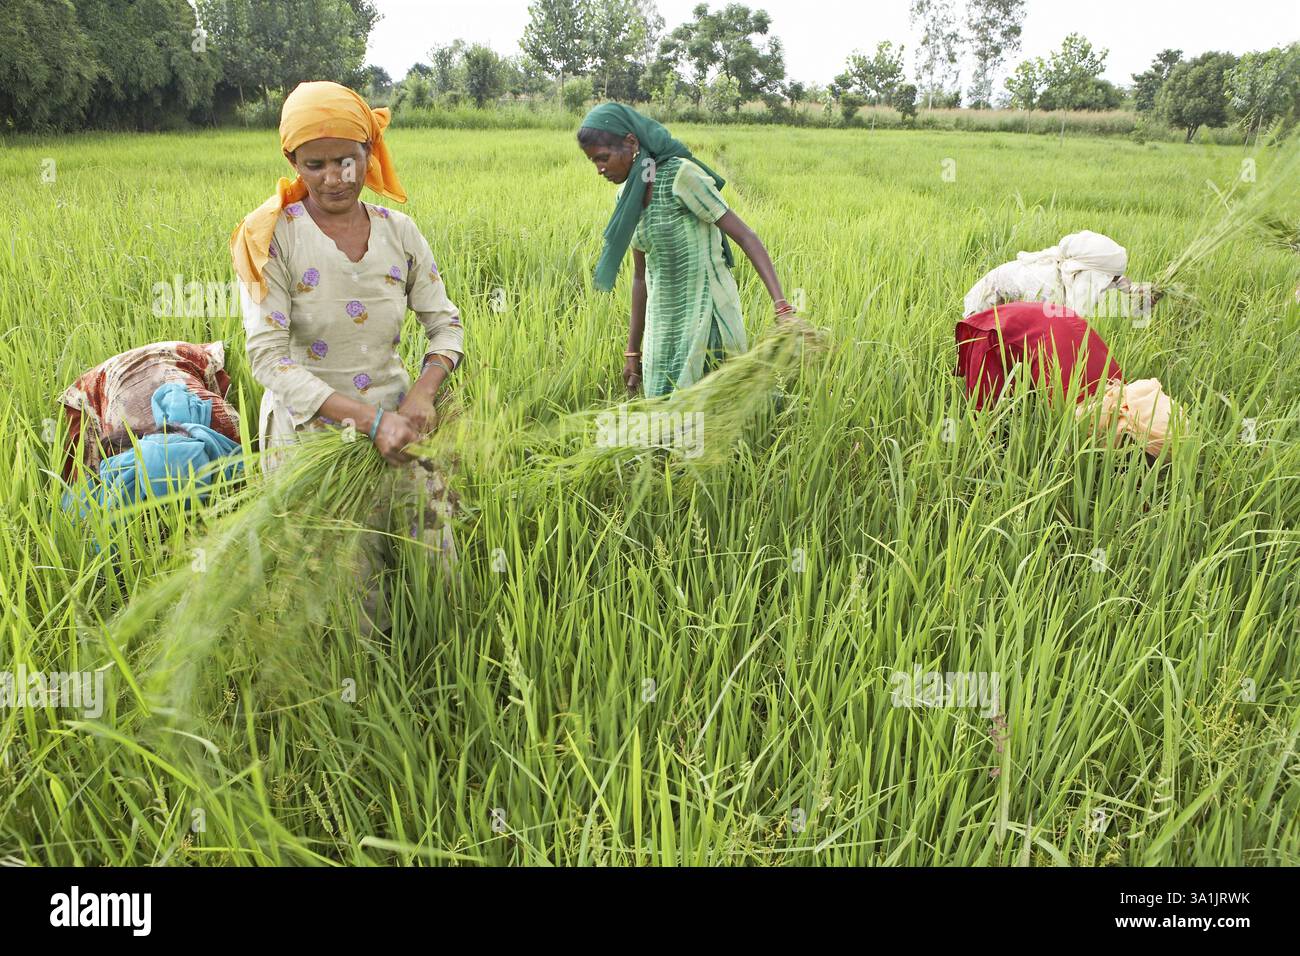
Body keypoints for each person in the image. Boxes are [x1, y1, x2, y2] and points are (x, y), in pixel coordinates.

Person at [230, 80, 464, 637]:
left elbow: (445, 324)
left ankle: (447, 664)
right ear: (292, 161)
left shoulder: (399, 232)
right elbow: (268, 358)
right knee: (348, 586)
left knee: (438, 560)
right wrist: (367, 421)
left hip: (399, 423)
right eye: (315, 165)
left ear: (369, 155)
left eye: (346, 161)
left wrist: (422, 394)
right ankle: (363, 689)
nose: (334, 178)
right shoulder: (272, 239)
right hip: (312, 432)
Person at [576, 103, 795, 397]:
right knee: (666, 413)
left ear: (631, 143)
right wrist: (633, 352)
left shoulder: (682, 177)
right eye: (593, 162)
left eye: (603, 158)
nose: (600, 169)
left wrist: (782, 306)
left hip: (708, 315)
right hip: (663, 323)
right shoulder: (625, 197)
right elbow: (641, 277)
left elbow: (746, 237)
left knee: (719, 408)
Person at [956, 299, 1183, 459]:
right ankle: (982, 458)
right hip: (996, 331)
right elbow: (1060, 447)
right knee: (988, 416)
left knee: (1025, 401)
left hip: (1050, 319)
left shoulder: (1117, 383)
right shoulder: (1073, 406)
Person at [962, 230, 1159, 320]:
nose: (1107, 283)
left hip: (1010, 308)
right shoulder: (1047, 287)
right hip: (985, 301)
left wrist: (1142, 293)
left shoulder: (1076, 271)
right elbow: (1072, 323)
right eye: (1104, 279)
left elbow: (1118, 282)